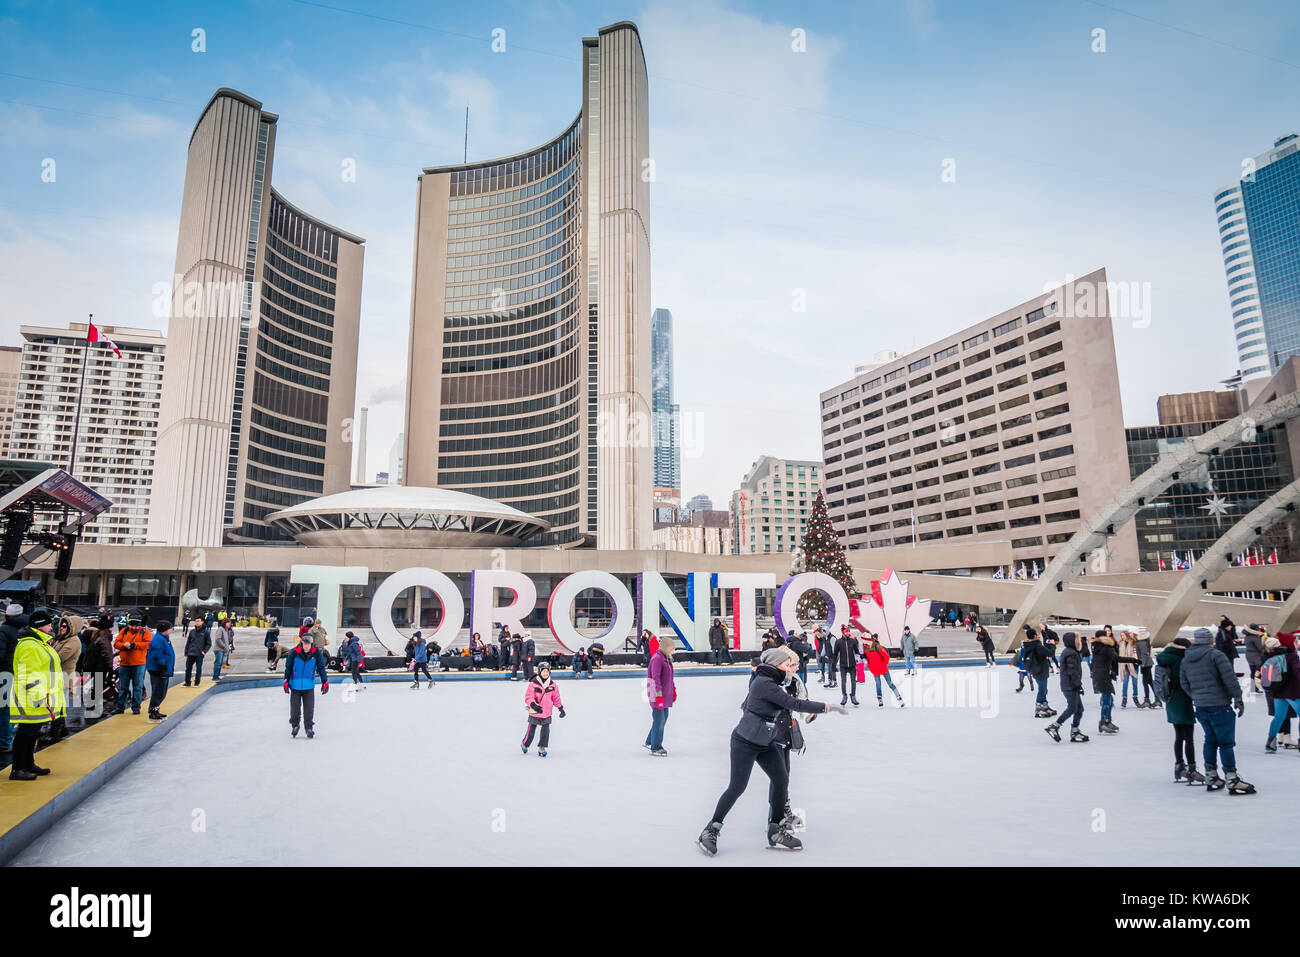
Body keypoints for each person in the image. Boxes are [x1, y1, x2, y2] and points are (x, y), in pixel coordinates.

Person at [697, 646, 848, 856]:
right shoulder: (765, 683)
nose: (790, 669)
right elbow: (794, 703)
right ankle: (710, 829)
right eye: (787, 665)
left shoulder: (775, 681)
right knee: (737, 787)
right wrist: (827, 707)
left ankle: (775, 828)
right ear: (776, 664)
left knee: (781, 779)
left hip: (766, 741)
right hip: (745, 742)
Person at [1179, 626, 1253, 794]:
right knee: (1226, 743)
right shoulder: (1216, 655)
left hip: (1201, 706)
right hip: (1220, 705)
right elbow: (1229, 679)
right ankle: (1232, 778)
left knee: (1210, 740)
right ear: (1210, 641)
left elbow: (1184, 683)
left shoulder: (1186, 659)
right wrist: (1238, 698)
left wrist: (1197, 697)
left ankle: (1211, 775)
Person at [8, 610, 65, 781]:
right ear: (40, 626)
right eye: (48, 624)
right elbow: (27, 673)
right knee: (25, 732)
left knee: (33, 732)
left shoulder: (40, 643)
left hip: (41, 696)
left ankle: (28, 763)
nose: (51, 627)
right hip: (31, 698)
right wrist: (37, 694)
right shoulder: (29, 645)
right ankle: (18, 768)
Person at [1155, 636, 1199, 782]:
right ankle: (1192, 769)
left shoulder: (1166, 657)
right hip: (1183, 699)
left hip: (1171, 699)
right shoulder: (1181, 660)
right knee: (1189, 737)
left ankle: (1179, 766)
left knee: (1179, 736)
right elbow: (1186, 681)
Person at [1089, 627, 1137, 735]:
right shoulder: (1106, 648)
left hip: (1100, 675)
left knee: (1109, 699)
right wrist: (1132, 660)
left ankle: (1107, 721)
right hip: (1103, 676)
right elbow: (1117, 659)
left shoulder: (1096, 647)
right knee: (1107, 700)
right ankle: (1103, 723)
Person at [284, 629, 330, 739]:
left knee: (309, 709)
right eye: (304, 643)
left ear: (311, 643)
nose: (306, 646)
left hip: (309, 686)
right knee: (295, 710)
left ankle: (309, 728)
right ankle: (295, 726)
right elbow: (288, 667)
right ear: (301, 643)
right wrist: (286, 680)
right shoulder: (294, 652)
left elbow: (321, 668)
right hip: (295, 686)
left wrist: (325, 681)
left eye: (308, 644)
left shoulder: (316, 653)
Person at [1044, 632, 1089, 743]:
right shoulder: (1071, 654)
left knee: (1079, 709)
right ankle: (1054, 726)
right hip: (1070, 686)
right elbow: (1072, 672)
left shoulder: (1071, 652)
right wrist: (1078, 686)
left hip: (1069, 685)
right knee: (1072, 708)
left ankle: (1075, 731)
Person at [1263, 633, 1300, 753]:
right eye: (1295, 642)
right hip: (1293, 693)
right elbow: (1297, 671)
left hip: (1278, 693)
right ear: (1290, 643)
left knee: (1279, 717)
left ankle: (1270, 743)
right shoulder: (1292, 656)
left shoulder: (1274, 655)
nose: (1297, 644)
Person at [521, 661, 565, 756]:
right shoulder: (533, 684)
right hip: (535, 711)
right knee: (531, 731)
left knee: (545, 732)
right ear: (539, 672)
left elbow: (556, 698)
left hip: (546, 712)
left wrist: (560, 708)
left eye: (547, 671)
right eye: (543, 671)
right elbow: (529, 696)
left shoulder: (553, 685)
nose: (545, 673)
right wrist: (533, 705)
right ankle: (525, 744)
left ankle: (542, 747)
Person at [0, 604, 25, 755]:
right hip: (20, 674)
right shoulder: (26, 631)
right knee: (13, 707)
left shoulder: (3, 631)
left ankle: (4, 741)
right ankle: (8, 739)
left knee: (4, 709)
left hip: (5, 674)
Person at [645, 634, 676, 756]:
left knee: (662, 718)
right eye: (672, 648)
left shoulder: (666, 658)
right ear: (666, 647)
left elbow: (669, 678)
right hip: (657, 695)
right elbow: (655, 679)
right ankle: (656, 747)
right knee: (659, 720)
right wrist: (658, 697)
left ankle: (650, 741)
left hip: (664, 695)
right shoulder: (657, 659)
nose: (673, 651)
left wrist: (673, 690)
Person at [113, 616, 151, 714]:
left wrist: (135, 645)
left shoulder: (144, 632)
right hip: (124, 663)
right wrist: (124, 646)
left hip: (139, 663)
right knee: (123, 687)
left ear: (139, 625)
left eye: (136, 626)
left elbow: (148, 644)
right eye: (132, 625)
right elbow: (116, 643)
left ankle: (136, 708)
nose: (134, 628)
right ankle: (120, 707)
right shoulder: (124, 631)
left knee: (137, 686)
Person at [145, 620, 176, 721]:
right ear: (165, 630)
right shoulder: (158, 639)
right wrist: (163, 665)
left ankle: (156, 709)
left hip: (163, 669)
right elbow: (157, 654)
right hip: (158, 669)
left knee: (162, 691)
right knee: (158, 691)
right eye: (169, 628)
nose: (170, 630)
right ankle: (153, 710)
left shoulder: (164, 638)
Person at [1020, 626, 1054, 718]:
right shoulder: (1038, 646)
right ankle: (1039, 708)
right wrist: (1050, 643)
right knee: (1042, 689)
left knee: (1043, 689)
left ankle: (1044, 705)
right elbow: (1050, 653)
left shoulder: (1028, 645)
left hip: (1035, 670)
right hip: (1041, 670)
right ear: (1035, 636)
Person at [864, 634, 904, 708]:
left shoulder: (878, 646)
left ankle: (898, 697)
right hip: (875, 670)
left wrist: (883, 664)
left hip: (883, 668)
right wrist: (871, 667)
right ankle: (880, 699)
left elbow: (886, 656)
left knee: (890, 683)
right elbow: (868, 659)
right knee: (878, 684)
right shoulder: (867, 649)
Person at [833, 625, 860, 706]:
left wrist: (861, 656)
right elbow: (835, 654)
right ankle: (844, 696)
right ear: (843, 632)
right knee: (843, 681)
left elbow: (856, 651)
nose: (848, 633)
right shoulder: (838, 642)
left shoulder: (853, 641)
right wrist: (833, 665)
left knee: (853, 681)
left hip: (852, 665)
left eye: (849, 631)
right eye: (846, 631)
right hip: (843, 665)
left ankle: (853, 696)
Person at [1242, 623, 1268, 693]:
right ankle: (1259, 687)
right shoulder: (1255, 638)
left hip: (1249, 656)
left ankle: (1253, 688)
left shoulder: (1247, 636)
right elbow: (1260, 648)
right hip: (1256, 657)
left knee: (1253, 671)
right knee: (1258, 672)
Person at [1118, 631, 1141, 708]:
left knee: (1135, 683)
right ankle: (1124, 698)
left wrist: (1136, 662)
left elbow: (1136, 653)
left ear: (1127, 635)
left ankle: (1135, 697)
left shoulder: (1133, 642)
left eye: (1123, 635)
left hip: (1133, 665)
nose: (1122, 637)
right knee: (1125, 683)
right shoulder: (1120, 644)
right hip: (1124, 666)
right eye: (1121, 636)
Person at [1135, 631, 1156, 708]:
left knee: (1145, 683)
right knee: (1150, 682)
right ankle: (1157, 699)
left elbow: (1144, 654)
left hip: (1145, 665)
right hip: (1148, 664)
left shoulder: (1141, 643)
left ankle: (1147, 700)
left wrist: (1142, 664)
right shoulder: (1146, 642)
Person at [212, 618, 232, 682]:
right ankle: (215, 677)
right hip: (219, 649)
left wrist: (227, 647)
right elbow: (218, 639)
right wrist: (224, 646)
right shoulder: (220, 629)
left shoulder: (225, 630)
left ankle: (217, 676)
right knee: (218, 663)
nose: (230, 624)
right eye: (228, 623)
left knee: (220, 663)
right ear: (225, 623)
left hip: (223, 650)